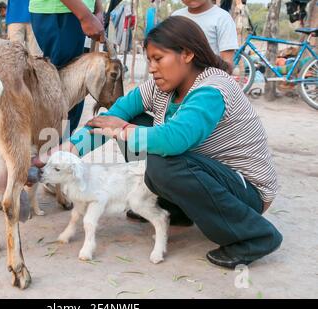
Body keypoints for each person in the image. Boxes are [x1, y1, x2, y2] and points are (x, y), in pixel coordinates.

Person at [33, 16, 283, 269]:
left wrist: (123, 130)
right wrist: (70, 149)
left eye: (158, 59)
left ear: (186, 54)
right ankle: (174, 210)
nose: (151, 67)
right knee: (135, 123)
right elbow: (112, 117)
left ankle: (256, 235)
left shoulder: (212, 89)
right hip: (209, 176)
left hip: (247, 191)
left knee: (160, 161)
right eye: (150, 60)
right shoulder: (159, 86)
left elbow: (173, 140)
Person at [29, 0, 105, 134]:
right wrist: (86, 16)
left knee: (75, 95)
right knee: (59, 101)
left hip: (81, 12)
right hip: (61, 11)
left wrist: (97, 10)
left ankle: (60, 149)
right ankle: (52, 152)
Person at [172, 0, 238, 72]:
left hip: (210, 79)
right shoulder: (176, 17)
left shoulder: (223, 18)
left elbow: (227, 64)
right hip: (179, 78)